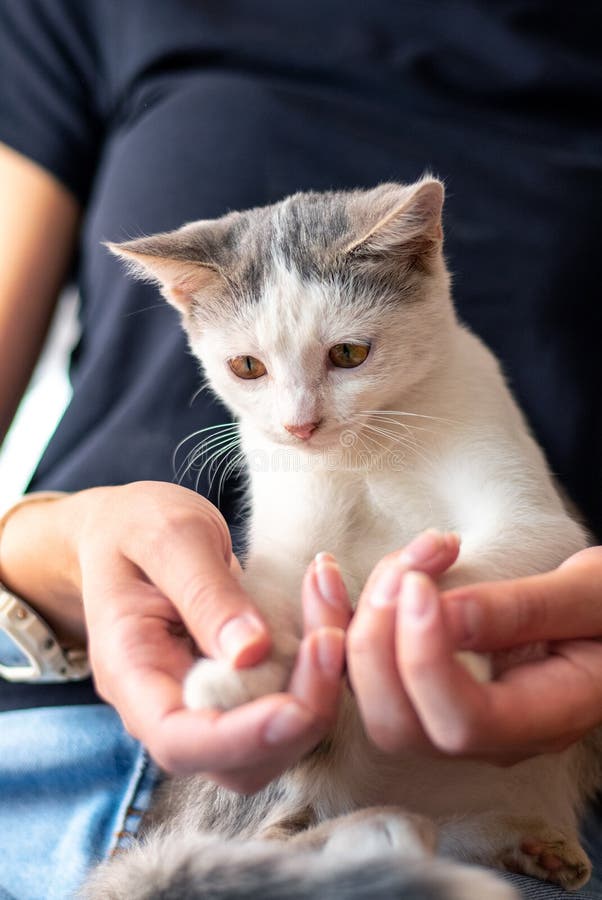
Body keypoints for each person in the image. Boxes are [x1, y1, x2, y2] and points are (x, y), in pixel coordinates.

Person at [0, 2, 601, 898]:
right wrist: (52, 547)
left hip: (495, 773)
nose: (296, 419)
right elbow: (278, 582)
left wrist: (448, 614)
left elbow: (532, 533)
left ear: (422, 258)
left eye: (348, 356)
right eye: (246, 369)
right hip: (77, 737)